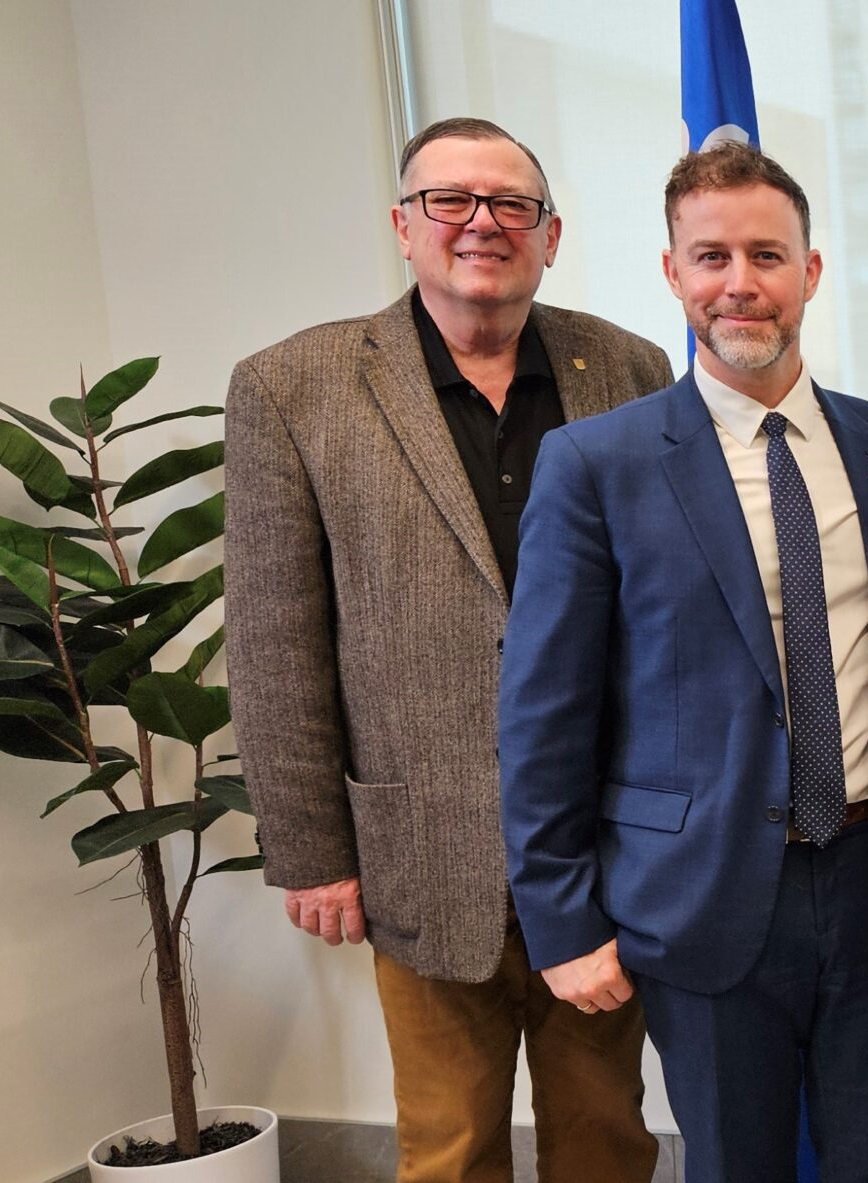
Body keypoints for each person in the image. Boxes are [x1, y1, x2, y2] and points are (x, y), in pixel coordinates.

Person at [226, 116, 668, 1183]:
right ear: (403, 225)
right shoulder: (294, 386)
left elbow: (666, 609)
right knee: (451, 1144)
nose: (482, 223)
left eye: (511, 204)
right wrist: (311, 847)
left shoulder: (629, 366)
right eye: (450, 201)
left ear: (549, 234)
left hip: (605, 838)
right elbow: (275, 632)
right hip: (419, 844)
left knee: (606, 1136)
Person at [497, 141, 868, 1183]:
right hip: (701, 896)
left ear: (810, 272)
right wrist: (562, 919)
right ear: (672, 273)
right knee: (737, 1164)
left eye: (766, 255)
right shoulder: (596, 464)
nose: (739, 283)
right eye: (710, 258)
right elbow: (543, 713)